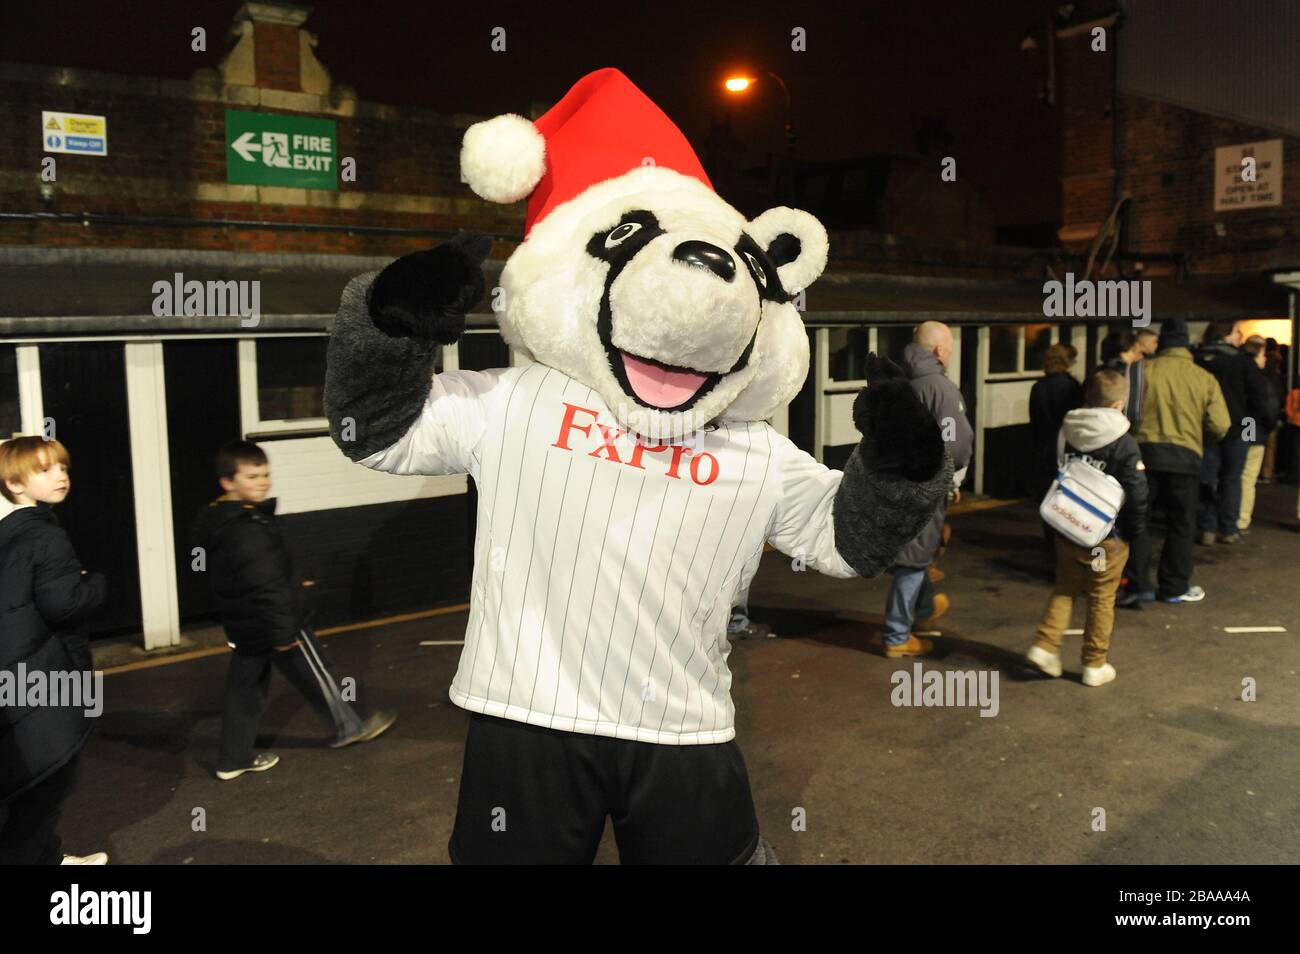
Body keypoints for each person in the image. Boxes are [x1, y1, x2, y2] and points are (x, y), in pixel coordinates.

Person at [191, 440, 396, 780]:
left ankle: (233, 759)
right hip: (276, 621)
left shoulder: (216, 520)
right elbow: (265, 582)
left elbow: (241, 576)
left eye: (266, 474)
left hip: (245, 623)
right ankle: (350, 724)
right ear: (228, 483)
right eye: (253, 476)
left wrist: (290, 585)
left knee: (245, 690)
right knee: (319, 671)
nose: (263, 482)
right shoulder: (248, 530)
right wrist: (285, 627)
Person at [0, 436, 109, 865]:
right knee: (49, 780)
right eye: (44, 470)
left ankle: (52, 859)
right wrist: (96, 585)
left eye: (62, 467)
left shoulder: (10, 533)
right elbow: (62, 604)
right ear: (14, 483)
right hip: (43, 674)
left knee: (31, 781)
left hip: (19, 673)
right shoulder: (46, 537)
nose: (60, 476)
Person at [1026, 370, 1147, 686]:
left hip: (1068, 526)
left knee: (1064, 587)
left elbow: (1044, 471)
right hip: (1107, 534)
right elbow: (1136, 491)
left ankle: (1045, 646)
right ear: (1120, 404)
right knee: (1101, 596)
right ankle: (1094, 663)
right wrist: (1133, 530)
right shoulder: (1125, 443)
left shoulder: (1065, 431)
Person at [1118, 318, 1230, 606]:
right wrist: (1197, 437)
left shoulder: (1139, 370)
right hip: (1186, 458)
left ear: (1162, 343)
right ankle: (1174, 586)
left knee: (1137, 521)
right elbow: (1221, 424)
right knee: (1181, 524)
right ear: (1187, 345)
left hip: (1144, 456)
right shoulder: (1203, 377)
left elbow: (1123, 414)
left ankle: (1138, 584)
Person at [880, 321, 974, 658]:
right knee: (914, 558)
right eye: (948, 349)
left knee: (913, 552)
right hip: (924, 485)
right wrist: (951, 476)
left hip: (894, 482)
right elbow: (958, 444)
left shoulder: (897, 383)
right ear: (937, 351)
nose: (948, 355)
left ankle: (923, 608)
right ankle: (896, 636)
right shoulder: (941, 389)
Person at [1194, 320, 1272, 545]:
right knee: (1233, 477)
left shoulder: (1199, 360)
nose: (1240, 336)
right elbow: (1258, 397)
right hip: (1240, 428)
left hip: (1207, 428)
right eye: (1237, 331)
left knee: (1208, 478)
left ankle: (1206, 527)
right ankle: (1228, 527)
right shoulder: (1241, 362)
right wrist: (1252, 426)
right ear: (1228, 334)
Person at [1029, 343, 1084, 547]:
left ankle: (1050, 541)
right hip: (1065, 449)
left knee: (1049, 498)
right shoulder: (1071, 386)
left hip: (1043, 450)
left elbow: (1035, 422)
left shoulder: (1038, 387)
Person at [1237, 338, 1280, 532]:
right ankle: (1241, 519)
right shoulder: (1259, 377)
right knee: (1247, 476)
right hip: (1252, 427)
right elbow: (1267, 406)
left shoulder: (1233, 370)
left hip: (1235, 429)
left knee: (1235, 475)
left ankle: (1231, 516)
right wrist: (1270, 426)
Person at [1100, 331, 1146, 427]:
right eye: (1137, 351)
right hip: (1126, 426)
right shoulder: (1132, 372)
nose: (1140, 357)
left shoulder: (1098, 373)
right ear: (1124, 352)